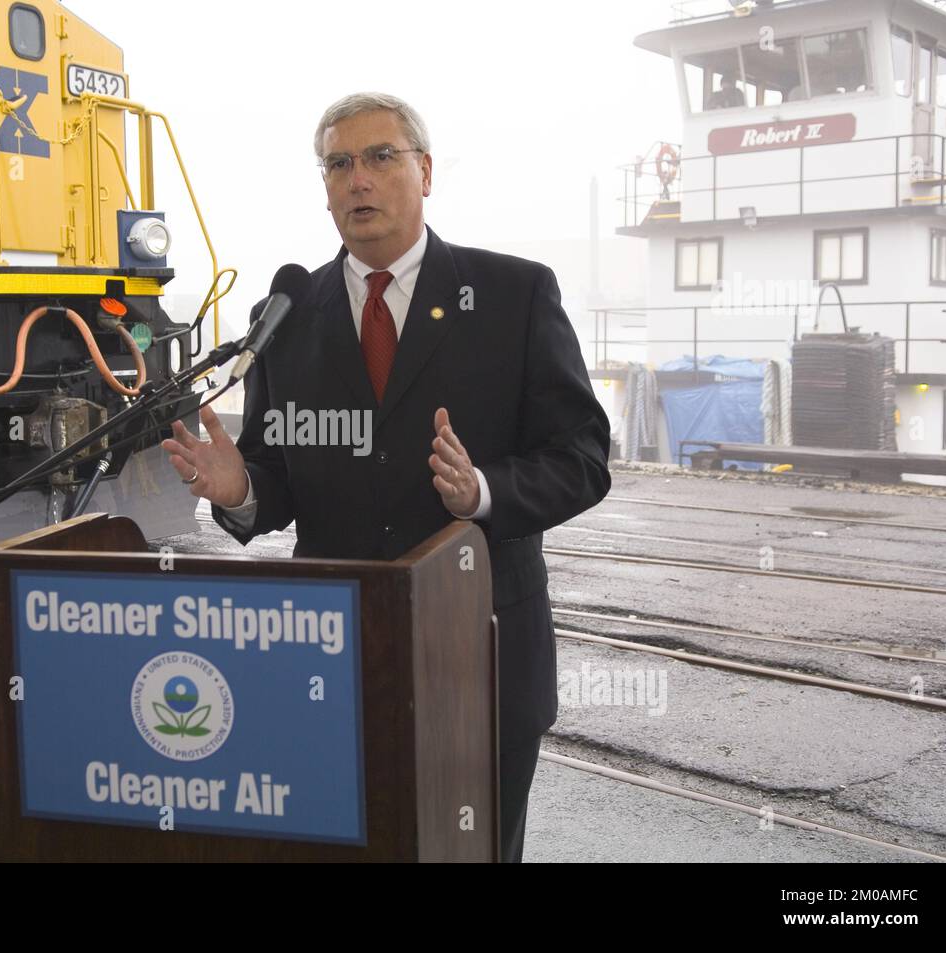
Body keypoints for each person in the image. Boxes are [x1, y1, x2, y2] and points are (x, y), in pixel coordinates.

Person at [161, 93, 610, 862]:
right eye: (338, 164)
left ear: (425, 171)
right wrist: (239, 487)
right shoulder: (289, 313)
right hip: (331, 658)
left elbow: (582, 456)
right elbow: (277, 482)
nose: (357, 179)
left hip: (480, 655)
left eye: (380, 158)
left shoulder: (514, 295)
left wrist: (485, 492)